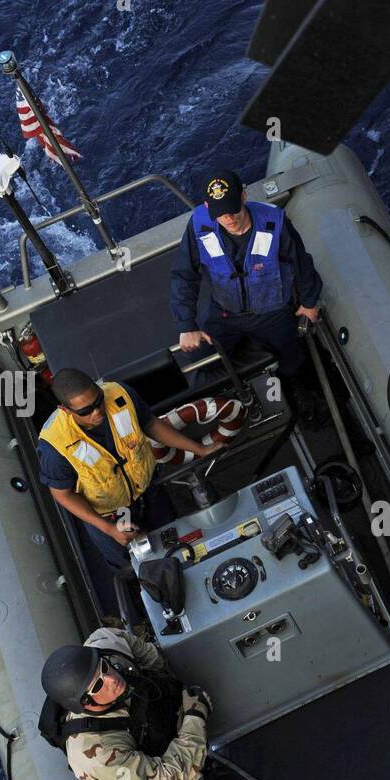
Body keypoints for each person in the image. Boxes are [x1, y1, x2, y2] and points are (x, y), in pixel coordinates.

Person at [40, 627, 231, 780]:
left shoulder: (106, 643)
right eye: (98, 685)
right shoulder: (94, 753)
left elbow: (152, 658)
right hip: (149, 771)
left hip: (156, 718)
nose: (111, 679)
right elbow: (168, 778)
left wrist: (173, 691)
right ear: (85, 703)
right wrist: (195, 715)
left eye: (104, 667)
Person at [169, 167, 324, 419]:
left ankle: (297, 390)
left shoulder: (275, 222)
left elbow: (301, 263)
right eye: (221, 213)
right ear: (208, 207)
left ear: (244, 196)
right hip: (224, 312)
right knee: (201, 357)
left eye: (233, 209)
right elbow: (184, 275)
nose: (229, 218)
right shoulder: (198, 226)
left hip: (272, 312)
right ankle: (218, 402)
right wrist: (186, 323)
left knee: (293, 357)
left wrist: (309, 302)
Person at [38, 368, 214, 572]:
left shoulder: (120, 394)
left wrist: (200, 449)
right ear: (65, 410)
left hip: (149, 493)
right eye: (85, 411)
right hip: (112, 515)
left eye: (98, 401)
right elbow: (63, 495)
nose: (97, 412)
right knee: (133, 566)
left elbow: (151, 425)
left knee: (172, 541)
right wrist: (109, 529)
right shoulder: (55, 445)